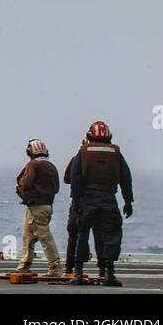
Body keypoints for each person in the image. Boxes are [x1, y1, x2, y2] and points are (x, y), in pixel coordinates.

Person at [65, 121, 133, 287]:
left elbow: (74, 177)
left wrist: (76, 199)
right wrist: (128, 201)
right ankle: (109, 273)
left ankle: (79, 273)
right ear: (109, 136)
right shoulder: (116, 152)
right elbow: (126, 178)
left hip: (87, 199)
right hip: (109, 198)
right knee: (111, 235)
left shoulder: (83, 151)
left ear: (89, 135)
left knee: (82, 234)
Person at [13, 138, 62, 278]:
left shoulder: (32, 165)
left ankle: (55, 268)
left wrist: (21, 185)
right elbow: (57, 188)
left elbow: (26, 183)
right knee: (27, 236)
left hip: (36, 206)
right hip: (47, 205)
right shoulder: (51, 166)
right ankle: (24, 265)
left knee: (45, 238)